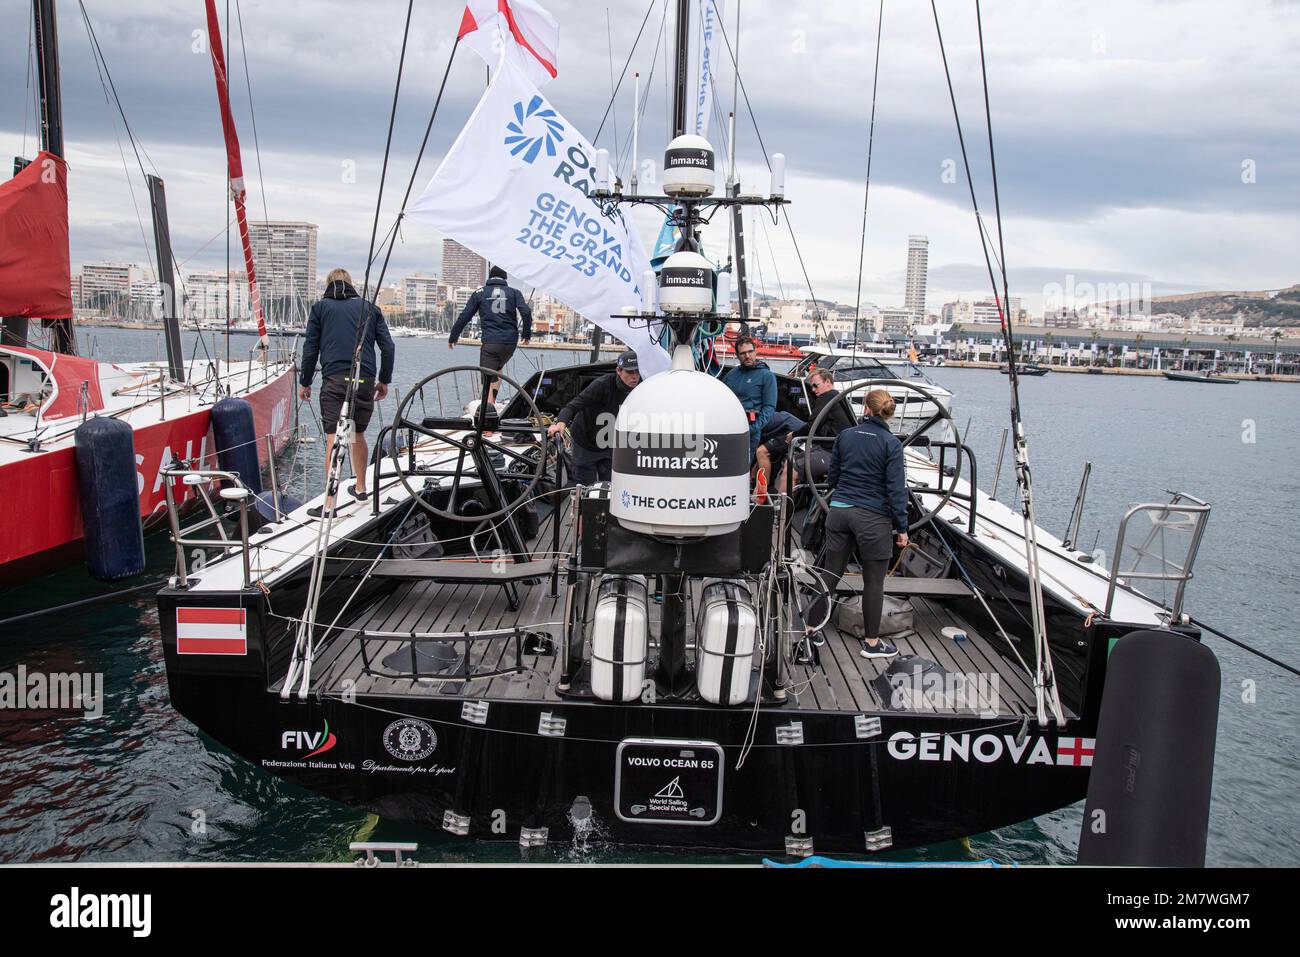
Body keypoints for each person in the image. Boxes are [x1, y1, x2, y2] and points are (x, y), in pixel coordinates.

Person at [805, 389, 908, 659]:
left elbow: (834, 476)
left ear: (866, 408)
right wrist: (903, 528)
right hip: (873, 519)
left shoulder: (846, 436)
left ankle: (810, 629)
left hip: (839, 511)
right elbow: (897, 491)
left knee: (830, 574)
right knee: (873, 582)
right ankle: (872, 644)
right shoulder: (891, 444)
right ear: (888, 412)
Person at [299, 268, 394, 509]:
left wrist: (306, 381)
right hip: (363, 381)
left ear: (328, 285)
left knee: (335, 435)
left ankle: (330, 502)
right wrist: (384, 380)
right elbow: (388, 348)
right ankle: (361, 489)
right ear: (351, 284)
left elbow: (310, 349)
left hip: (334, 381)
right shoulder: (370, 309)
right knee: (355, 433)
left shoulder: (320, 309)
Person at [546, 350, 641, 484]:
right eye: (630, 372)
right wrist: (560, 424)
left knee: (610, 485)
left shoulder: (642, 387)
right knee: (585, 486)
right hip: (585, 440)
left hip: (609, 442)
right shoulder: (602, 385)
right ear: (619, 371)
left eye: (637, 371)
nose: (634, 377)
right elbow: (572, 406)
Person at [449, 265, 532, 404]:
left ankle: (488, 411)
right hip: (510, 344)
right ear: (505, 278)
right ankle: (493, 400)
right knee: (498, 368)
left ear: (490, 277)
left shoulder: (479, 293)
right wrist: (527, 334)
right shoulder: (514, 292)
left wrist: (453, 336)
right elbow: (526, 312)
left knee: (487, 379)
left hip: (491, 343)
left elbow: (465, 316)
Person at [774, 368, 856, 495]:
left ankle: (781, 511)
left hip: (833, 453)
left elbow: (812, 426)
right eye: (812, 386)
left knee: (791, 466)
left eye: (816, 386)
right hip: (842, 451)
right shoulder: (838, 397)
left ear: (828, 382)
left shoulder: (827, 397)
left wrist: (793, 435)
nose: (813, 390)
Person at [722, 336, 776, 457]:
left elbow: (769, 408)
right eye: (743, 353)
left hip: (751, 431)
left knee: (742, 466)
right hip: (728, 428)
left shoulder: (767, 376)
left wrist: (752, 429)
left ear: (755, 351)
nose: (747, 356)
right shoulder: (731, 375)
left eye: (750, 352)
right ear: (737, 355)